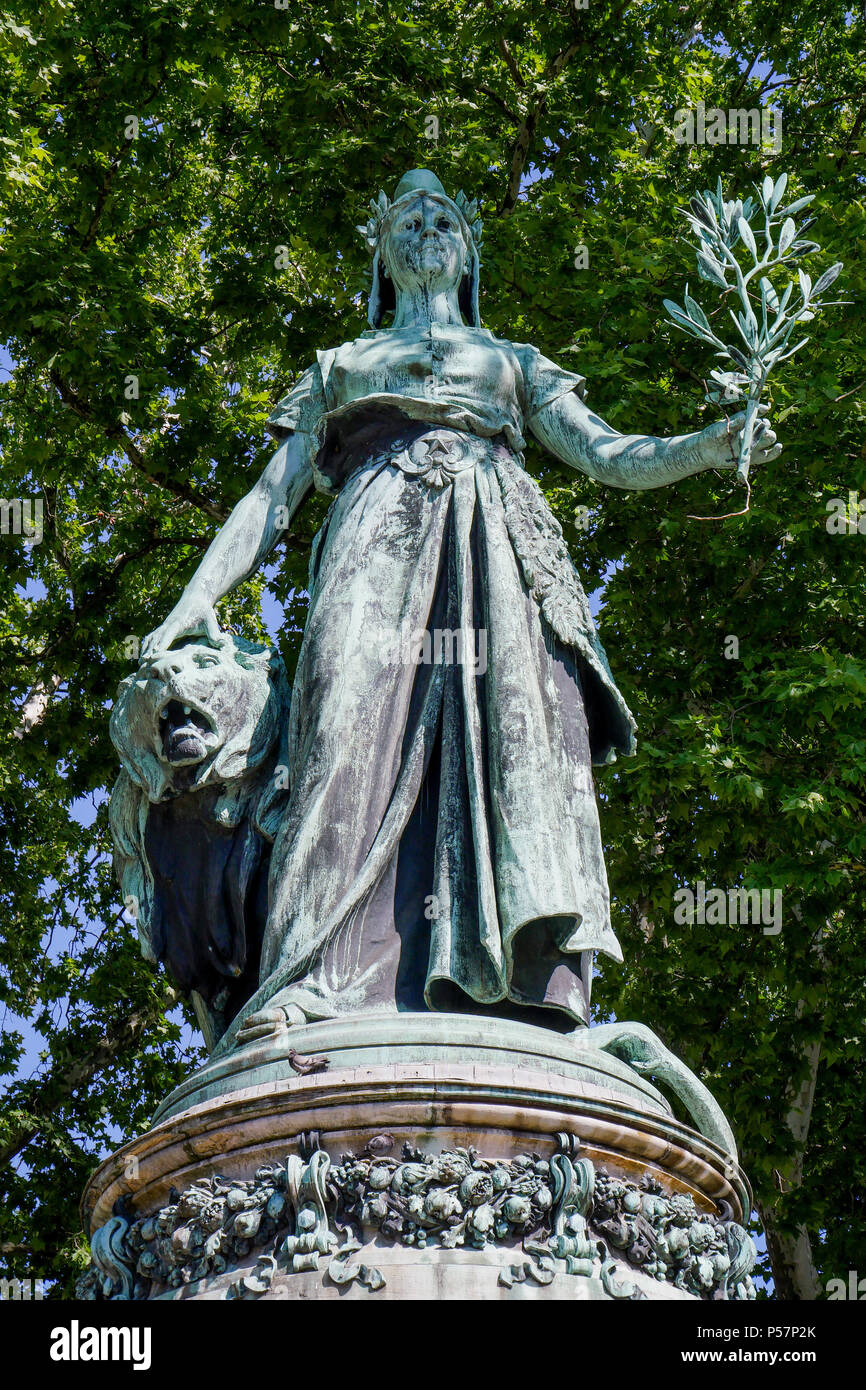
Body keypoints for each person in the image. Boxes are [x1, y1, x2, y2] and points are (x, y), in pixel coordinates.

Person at [141, 169, 779, 1050]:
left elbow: (608, 455)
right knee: (341, 741)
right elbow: (268, 498)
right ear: (383, 250)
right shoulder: (341, 367)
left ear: (470, 247)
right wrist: (192, 601)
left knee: (515, 750)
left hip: (498, 548)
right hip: (373, 536)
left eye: (445, 215)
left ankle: (519, 986)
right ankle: (305, 983)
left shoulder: (509, 363)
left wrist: (710, 445)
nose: (429, 225)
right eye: (408, 215)